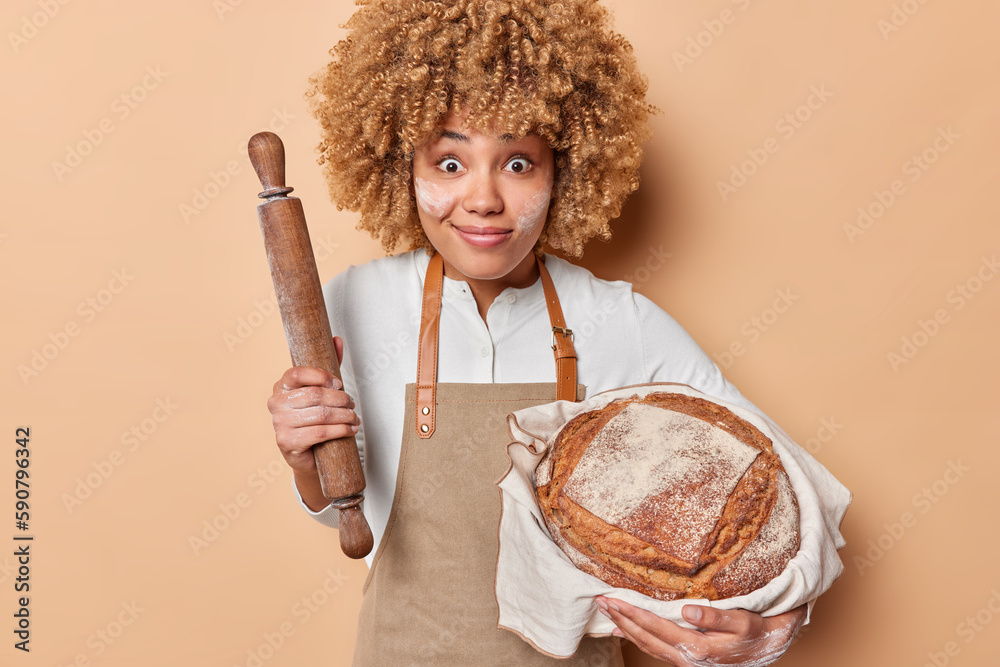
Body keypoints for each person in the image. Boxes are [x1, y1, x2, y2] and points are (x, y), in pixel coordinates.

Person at [267, 1, 825, 664]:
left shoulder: (619, 321)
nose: (482, 199)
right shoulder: (356, 303)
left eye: (517, 163)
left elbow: (783, 488)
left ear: (565, 169)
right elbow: (345, 515)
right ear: (399, 166)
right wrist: (305, 462)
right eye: (450, 163)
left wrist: (773, 625)